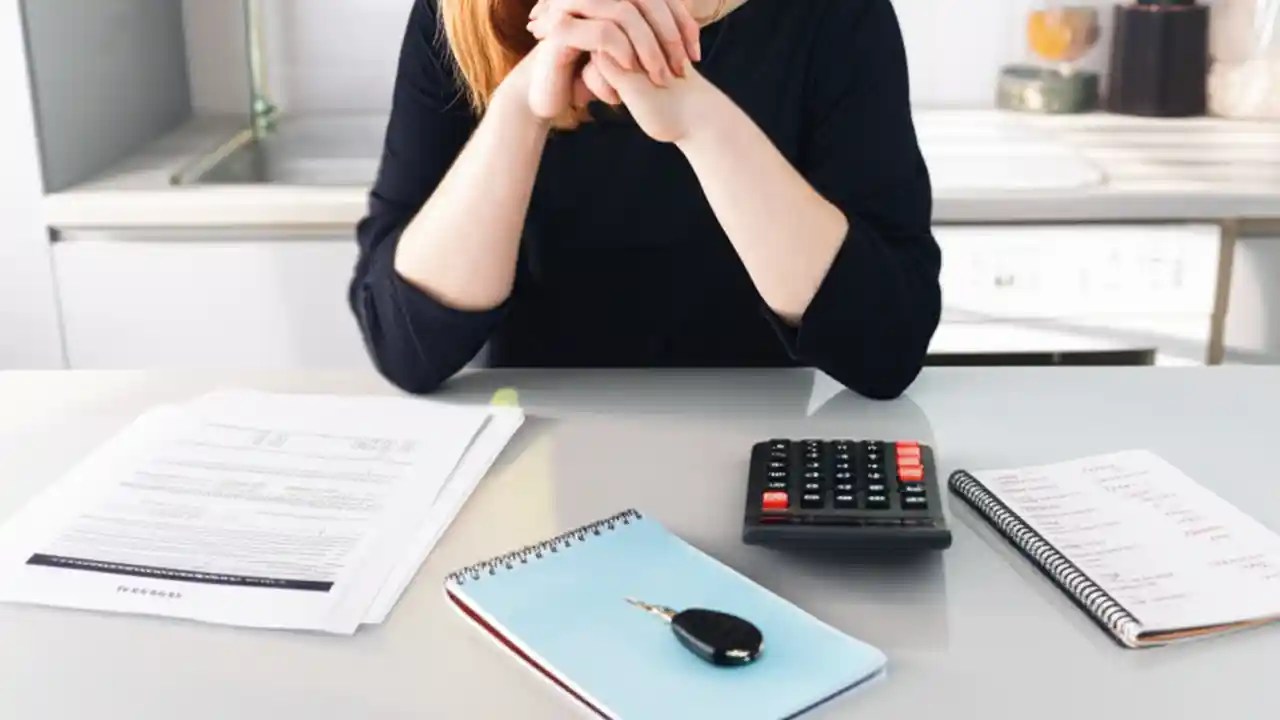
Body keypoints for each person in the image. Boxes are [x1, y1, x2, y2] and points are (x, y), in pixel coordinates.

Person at [349, 0, 940, 400]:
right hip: (524, 474)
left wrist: (699, 120)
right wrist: (522, 105)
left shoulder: (833, 14)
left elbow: (886, 348)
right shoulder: (460, 14)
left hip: (754, 459)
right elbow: (405, 347)